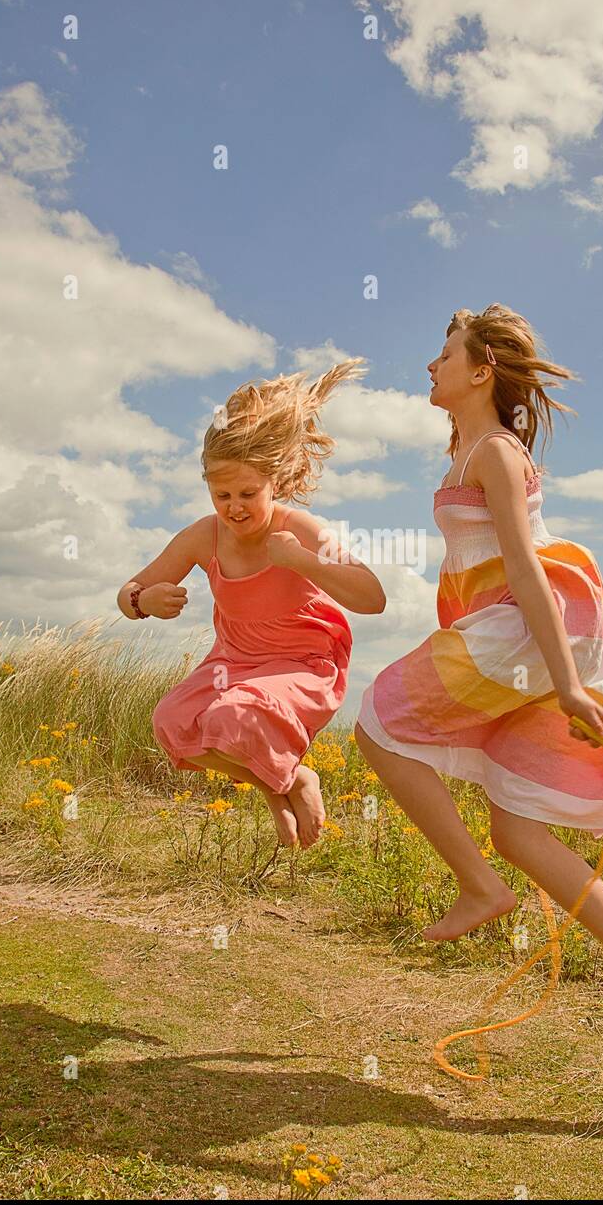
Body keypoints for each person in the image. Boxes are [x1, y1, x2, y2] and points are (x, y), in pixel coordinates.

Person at [354, 305, 603, 1067]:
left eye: (444, 355)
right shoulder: (470, 447)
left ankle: (480, 888)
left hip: (526, 631)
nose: (429, 367)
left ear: (481, 371)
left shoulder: (496, 453)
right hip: (520, 636)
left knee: (377, 717)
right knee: (517, 831)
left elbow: (528, 569)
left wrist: (569, 687)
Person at [118, 361, 386, 850]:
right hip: (234, 661)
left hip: (301, 662)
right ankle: (287, 781)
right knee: (172, 723)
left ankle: (288, 780)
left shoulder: (299, 530)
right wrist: (144, 600)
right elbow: (129, 591)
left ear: (275, 483)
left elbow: (373, 597)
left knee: (233, 719)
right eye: (221, 494)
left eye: (247, 493)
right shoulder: (205, 535)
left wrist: (304, 561)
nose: (234, 506)